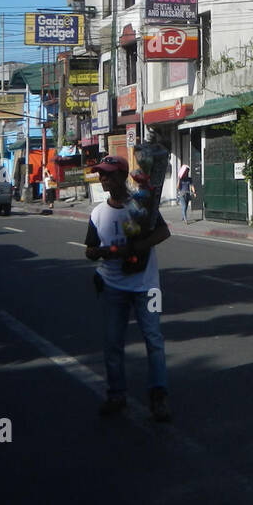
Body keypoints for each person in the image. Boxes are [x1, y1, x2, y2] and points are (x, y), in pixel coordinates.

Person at [84, 155, 172, 422]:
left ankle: (158, 398)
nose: (104, 179)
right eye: (101, 174)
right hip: (113, 286)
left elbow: (163, 233)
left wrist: (133, 248)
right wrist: (102, 253)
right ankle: (116, 395)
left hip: (146, 286)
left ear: (123, 176)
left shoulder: (141, 206)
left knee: (154, 341)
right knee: (113, 343)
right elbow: (89, 248)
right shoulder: (97, 213)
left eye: (109, 174)